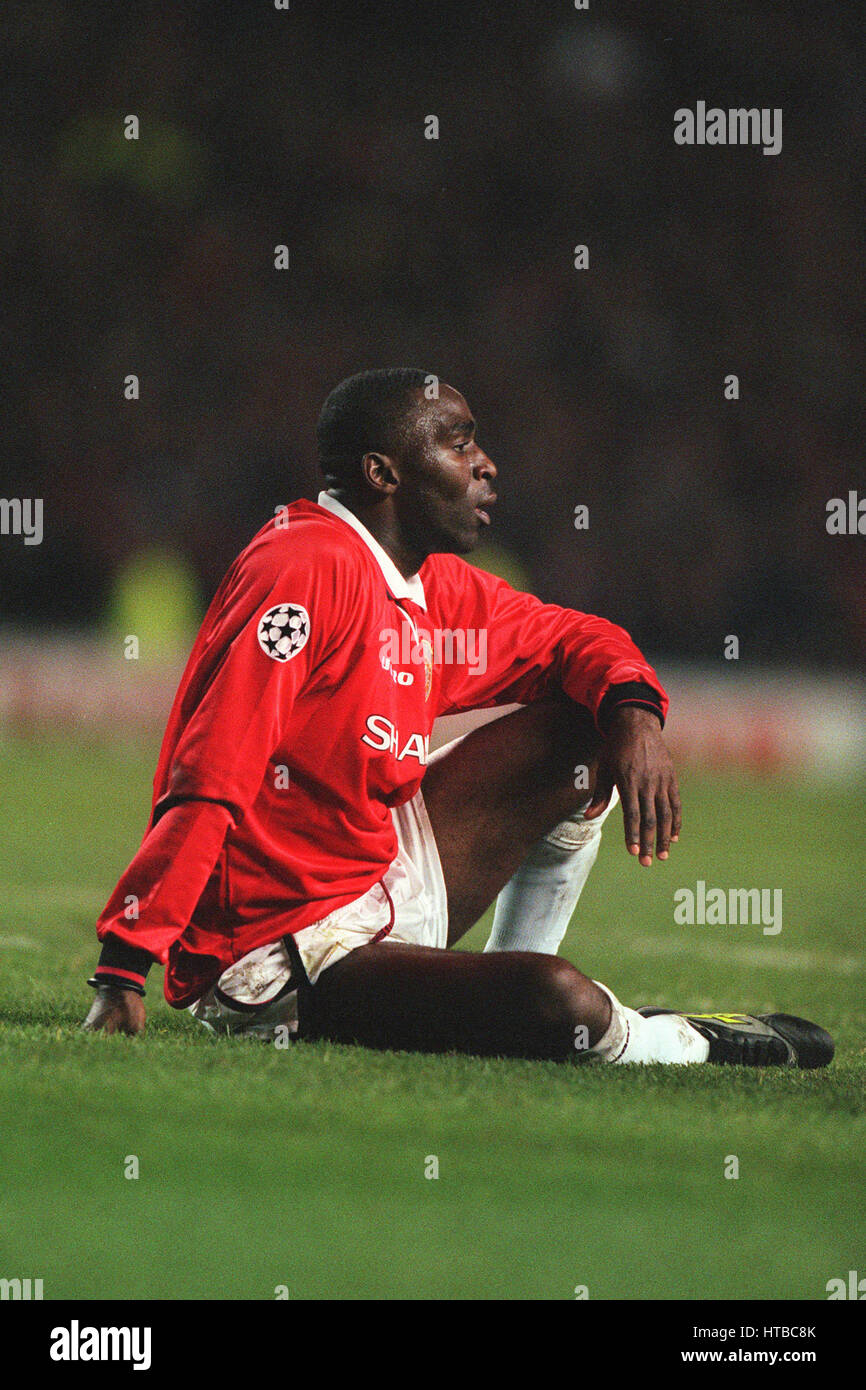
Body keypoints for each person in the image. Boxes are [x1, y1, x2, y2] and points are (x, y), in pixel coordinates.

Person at [83, 369, 833, 1069]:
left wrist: (636, 716)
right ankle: (667, 1040)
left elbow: (576, 639)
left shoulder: (424, 584)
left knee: (585, 727)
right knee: (557, 1000)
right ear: (384, 474)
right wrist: (124, 966)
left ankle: (509, 987)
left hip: (377, 878)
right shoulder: (306, 567)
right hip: (277, 949)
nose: (487, 464)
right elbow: (214, 767)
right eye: (460, 440)